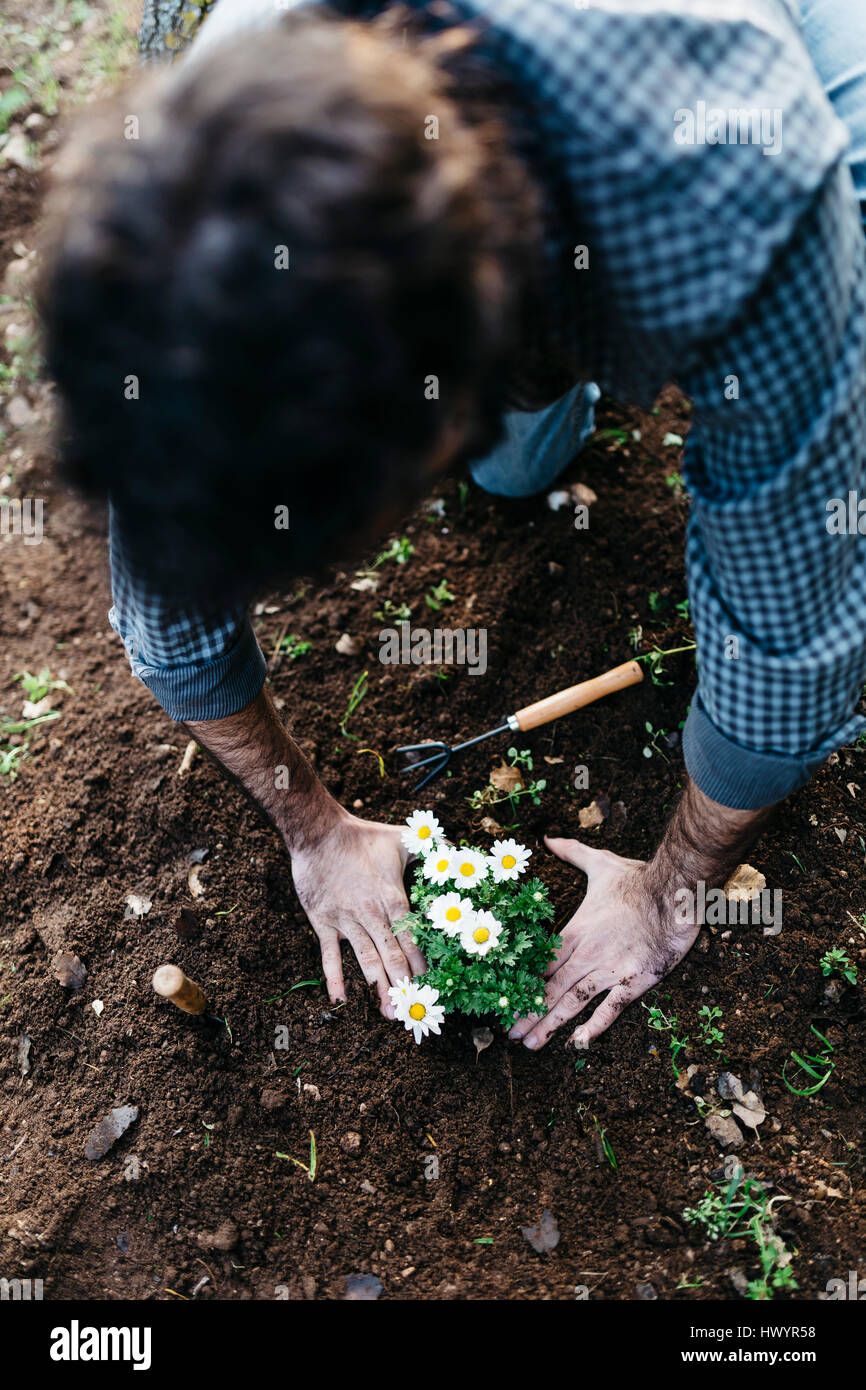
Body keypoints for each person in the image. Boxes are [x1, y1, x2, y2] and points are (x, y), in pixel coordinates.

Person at [40, 0, 866, 1049]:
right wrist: (315, 826)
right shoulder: (194, 221)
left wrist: (668, 892)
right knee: (520, 472)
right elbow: (167, 595)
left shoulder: (725, 202)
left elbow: (786, 645)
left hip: (772, 73)